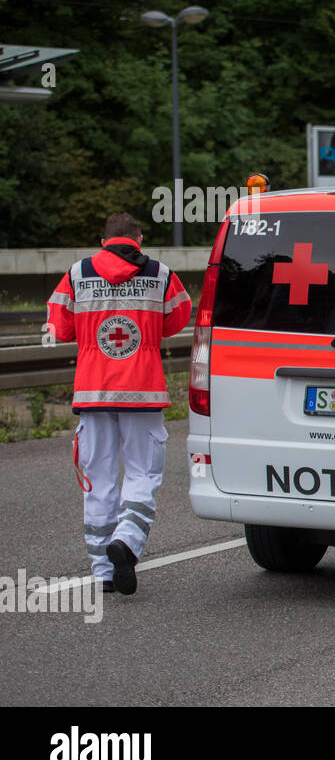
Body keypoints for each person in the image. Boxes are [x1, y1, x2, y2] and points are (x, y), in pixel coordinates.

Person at [46, 212, 191, 595]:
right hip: (143, 390)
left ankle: (102, 572)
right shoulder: (161, 274)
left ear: (102, 240)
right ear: (139, 239)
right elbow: (177, 319)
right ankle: (125, 542)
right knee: (143, 474)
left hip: (92, 391)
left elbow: (59, 327)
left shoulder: (77, 274)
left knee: (99, 479)